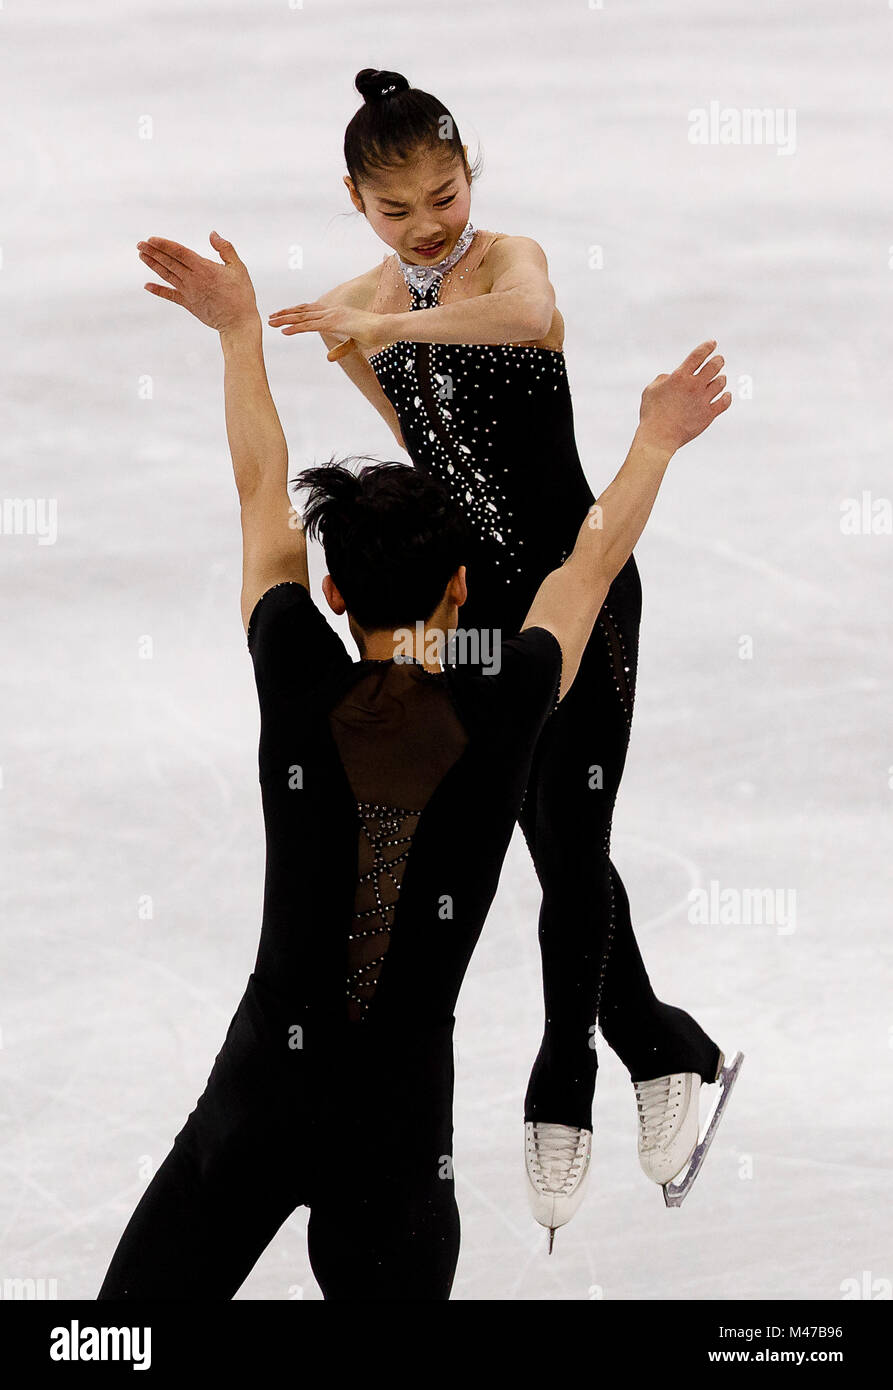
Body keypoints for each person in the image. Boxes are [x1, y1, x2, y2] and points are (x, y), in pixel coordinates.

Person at [96, 226, 727, 1300]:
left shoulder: (295, 669)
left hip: (257, 1103)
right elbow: (587, 561)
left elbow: (262, 497)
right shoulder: (509, 698)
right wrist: (655, 442)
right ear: (463, 594)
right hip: (393, 1139)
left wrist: (240, 333)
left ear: (334, 596)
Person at [266, 68, 741, 1237]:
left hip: (583, 585)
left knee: (571, 841)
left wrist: (384, 319)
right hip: (480, 613)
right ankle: (665, 1044)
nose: (431, 222)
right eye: (399, 210)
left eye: (445, 190)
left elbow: (523, 322)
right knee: (540, 830)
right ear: (355, 201)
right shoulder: (365, 305)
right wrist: (362, 339)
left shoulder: (506, 265)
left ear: (469, 171)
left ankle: (560, 1083)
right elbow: (409, 427)